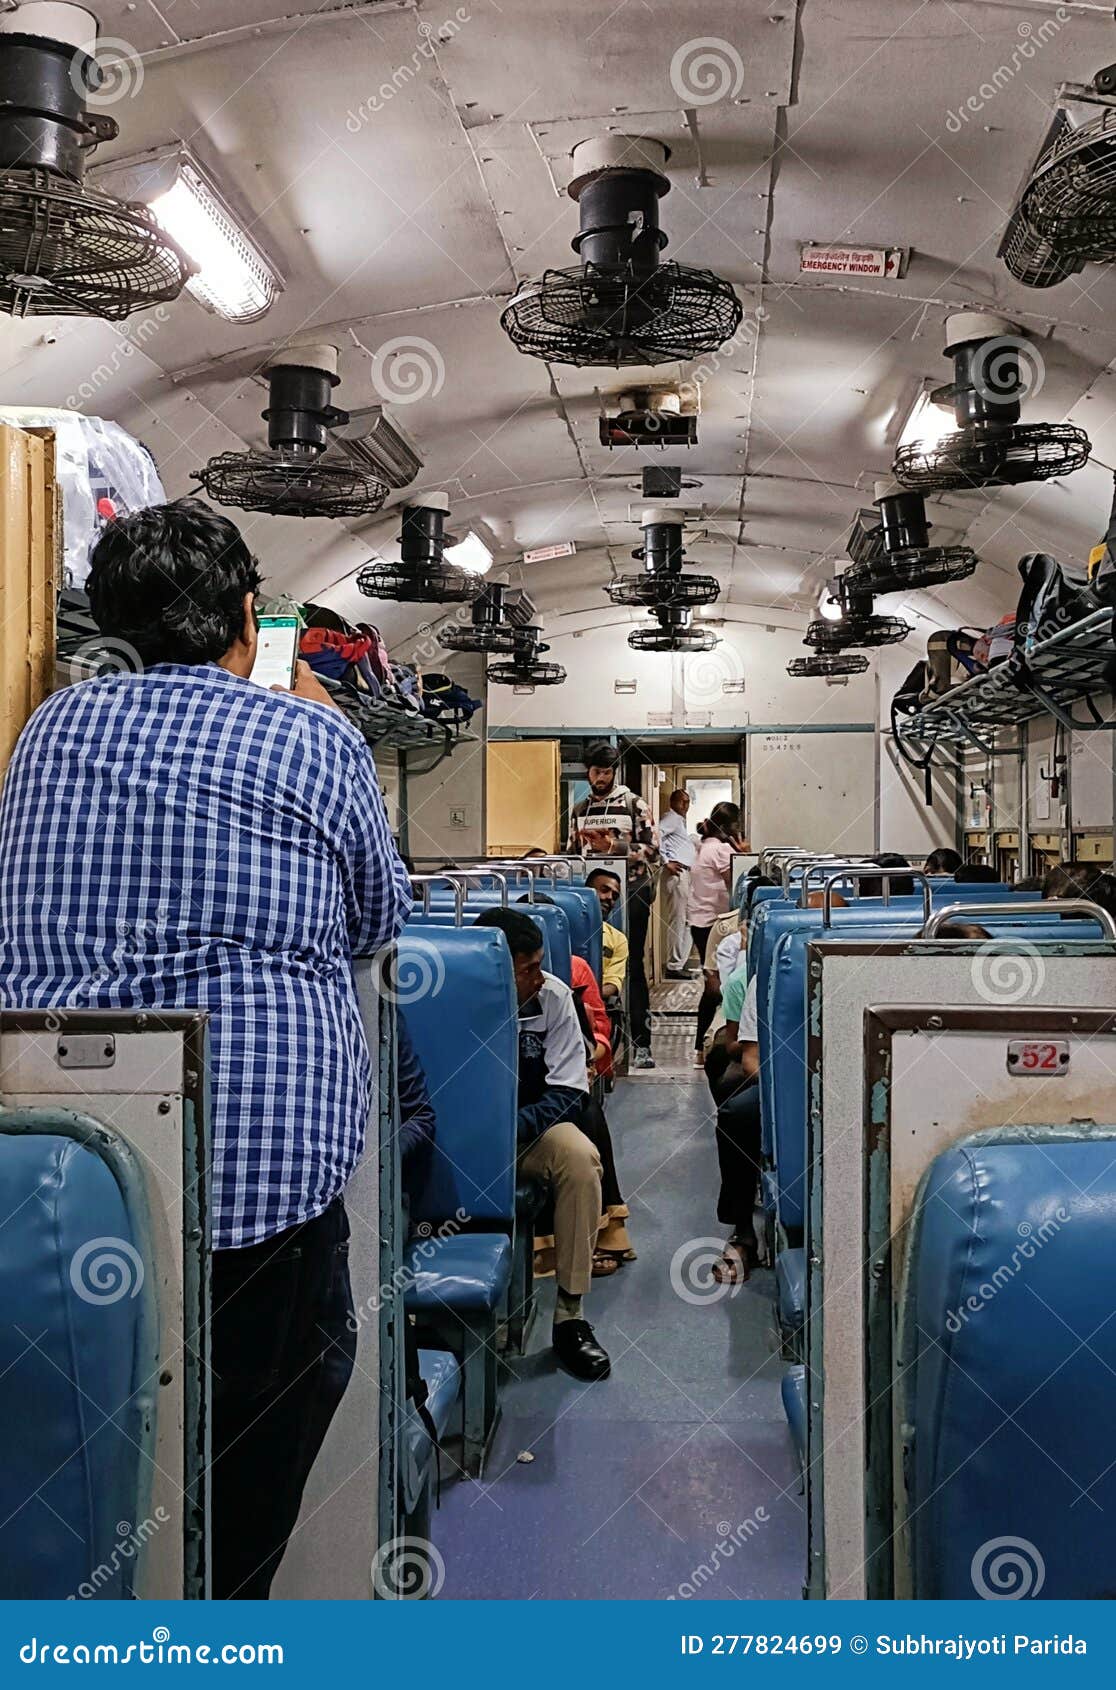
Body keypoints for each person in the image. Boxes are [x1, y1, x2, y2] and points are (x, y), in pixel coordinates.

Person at [0, 497, 413, 1598]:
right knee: (263, 1437)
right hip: (259, 1186)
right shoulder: (311, 733)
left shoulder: (48, 729)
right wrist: (327, 724)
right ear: (247, 616)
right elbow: (379, 921)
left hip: (58, 1174)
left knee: (91, 1468)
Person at [473, 907, 610, 1381]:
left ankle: (569, 1315)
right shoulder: (449, 1000)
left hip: (525, 1136)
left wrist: (512, 1126)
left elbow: (570, 1092)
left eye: (537, 965)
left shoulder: (553, 998)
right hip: (458, 1140)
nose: (536, 976)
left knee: (579, 1158)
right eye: (525, 968)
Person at [568, 744, 657, 1069]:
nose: (601, 778)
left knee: (632, 964)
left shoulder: (633, 804)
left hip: (630, 891)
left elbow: (653, 850)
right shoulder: (579, 809)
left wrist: (615, 846)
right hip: (590, 894)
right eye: (596, 772)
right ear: (588, 772)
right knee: (587, 960)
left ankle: (641, 1043)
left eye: (607, 772)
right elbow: (570, 853)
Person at [705, 958, 761, 1285]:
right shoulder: (759, 978)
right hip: (786, 1077)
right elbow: (751, 1059)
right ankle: (743, 1230)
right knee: (736, 1113)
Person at [687, 801, 747, 1068]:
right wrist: (745, 854)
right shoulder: (722, 851)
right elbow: (738, 887)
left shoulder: (704, 846)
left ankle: (703, 1046)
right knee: (719, 986)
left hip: (700, 920)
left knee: (713, 983)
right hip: (716, 923)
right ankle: (711, 1045)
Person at [658, 788, 696, 977]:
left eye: (688, 802)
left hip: (685, 873)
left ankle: (679, 963)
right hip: (677, 873)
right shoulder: (672, 818)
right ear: (673, 802)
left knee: (688, 920)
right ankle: (673, 966)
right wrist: (666, 862)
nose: (686, 806)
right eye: (683, 801)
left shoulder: (679, 821)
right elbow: (655, 835)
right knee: (678, 920)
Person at [586, 866, 630, 1003]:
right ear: (587, 892)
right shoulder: (562, 926)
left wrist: (586, 996)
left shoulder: (618, 939)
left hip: (595, 1001)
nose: (610, 898)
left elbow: (613, 983)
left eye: (615, 896)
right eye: (604, 890)